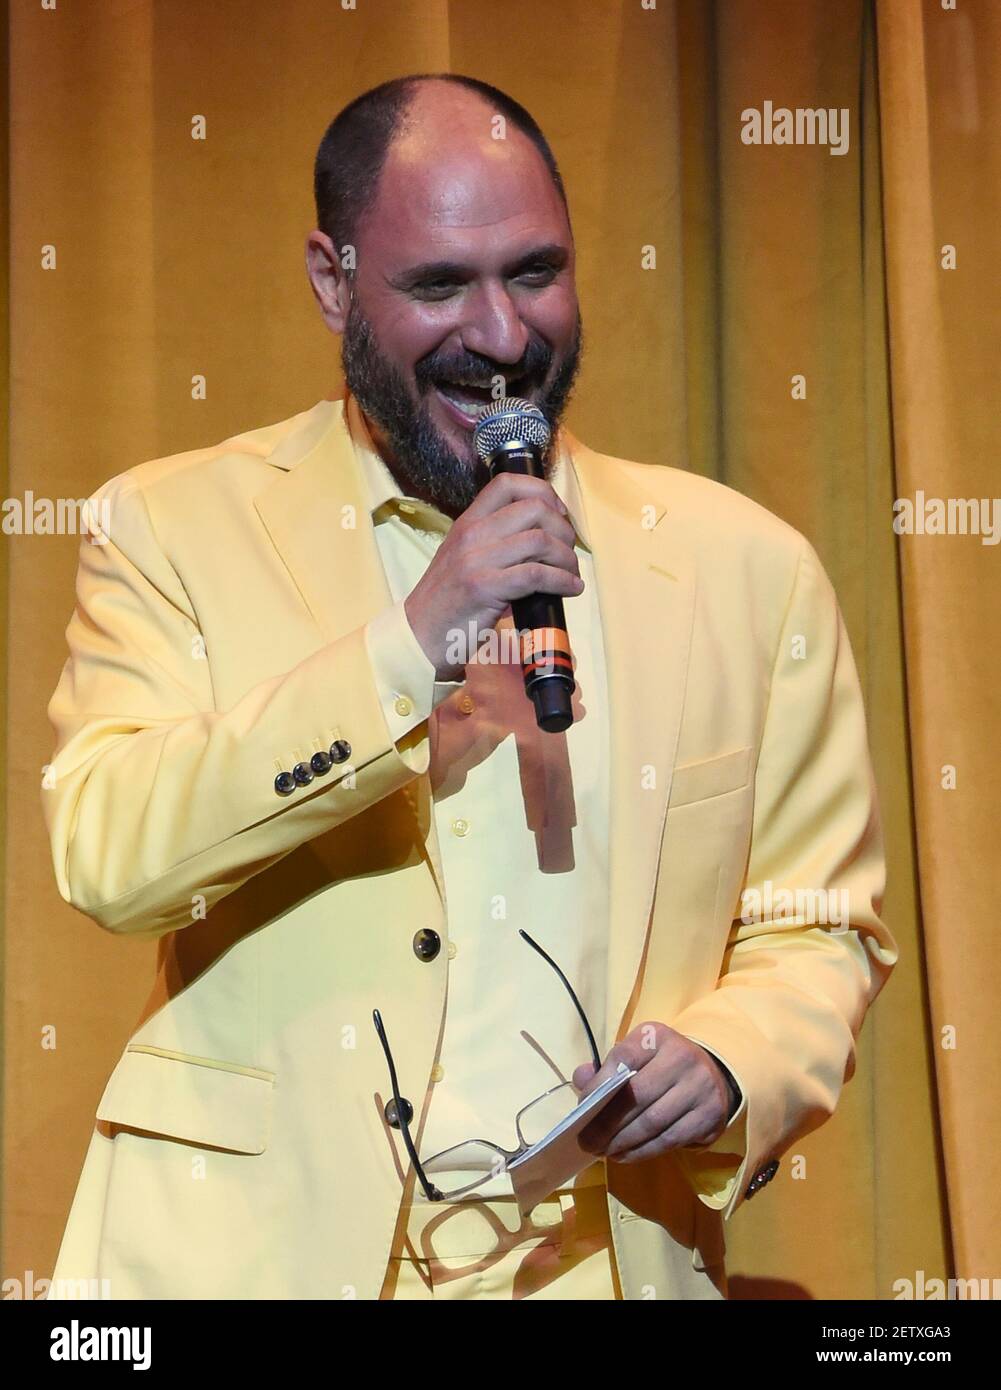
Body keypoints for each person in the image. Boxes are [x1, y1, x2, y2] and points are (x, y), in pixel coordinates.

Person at [42, 73, 898, 1302]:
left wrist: (730, 1058)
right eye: (439, 285)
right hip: (243, 1266)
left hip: (590, 1271)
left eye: (535, 272)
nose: (501, 337)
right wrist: (409, 644)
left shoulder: (745, 570)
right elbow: (107, 847)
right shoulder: (169, 526)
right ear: (334, 282)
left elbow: (815, 922)